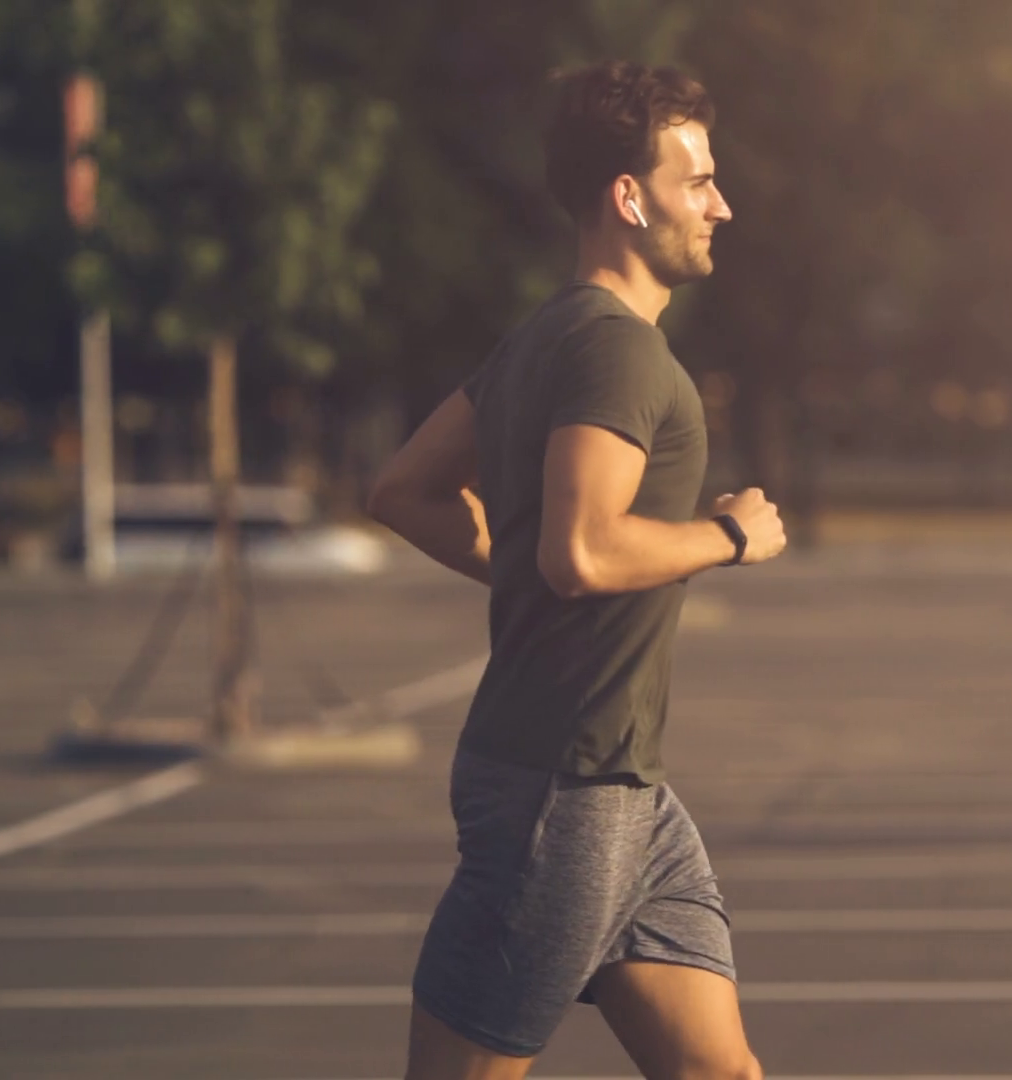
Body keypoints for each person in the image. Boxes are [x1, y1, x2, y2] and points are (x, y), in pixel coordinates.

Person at [366, 60, 787, 1080]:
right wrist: (728, 536)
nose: (721, 206)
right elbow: (583, 549)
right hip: (563, 793)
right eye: (698, 183)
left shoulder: (543, 337)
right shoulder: (619, 353)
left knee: (721, 1072)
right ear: (630, 198)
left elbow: (404, 493)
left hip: (627, 791)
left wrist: (532, 567)